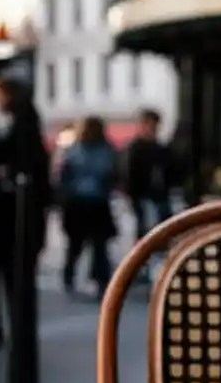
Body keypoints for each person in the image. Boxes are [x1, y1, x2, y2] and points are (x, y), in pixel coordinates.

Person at [0, 78, 49, 348]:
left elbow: (36, 168)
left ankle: (18, 326)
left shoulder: (25, 123)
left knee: (18, 275)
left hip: (18, 214)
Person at [59, 116, 118, 297]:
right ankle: (70, 276)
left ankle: (100, 279)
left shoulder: (104, 151)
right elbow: (64, 176)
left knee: (98, 246)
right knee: (76, 245)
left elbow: (112, 175)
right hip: (79, 203)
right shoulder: (74, 150)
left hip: (96, 203)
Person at [123, 108, 173, 242]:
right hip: (143, 193)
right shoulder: (136, 148)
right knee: (145, 228)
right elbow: (129, 173)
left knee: (160, 227)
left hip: (158, 194)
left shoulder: (161, 148)